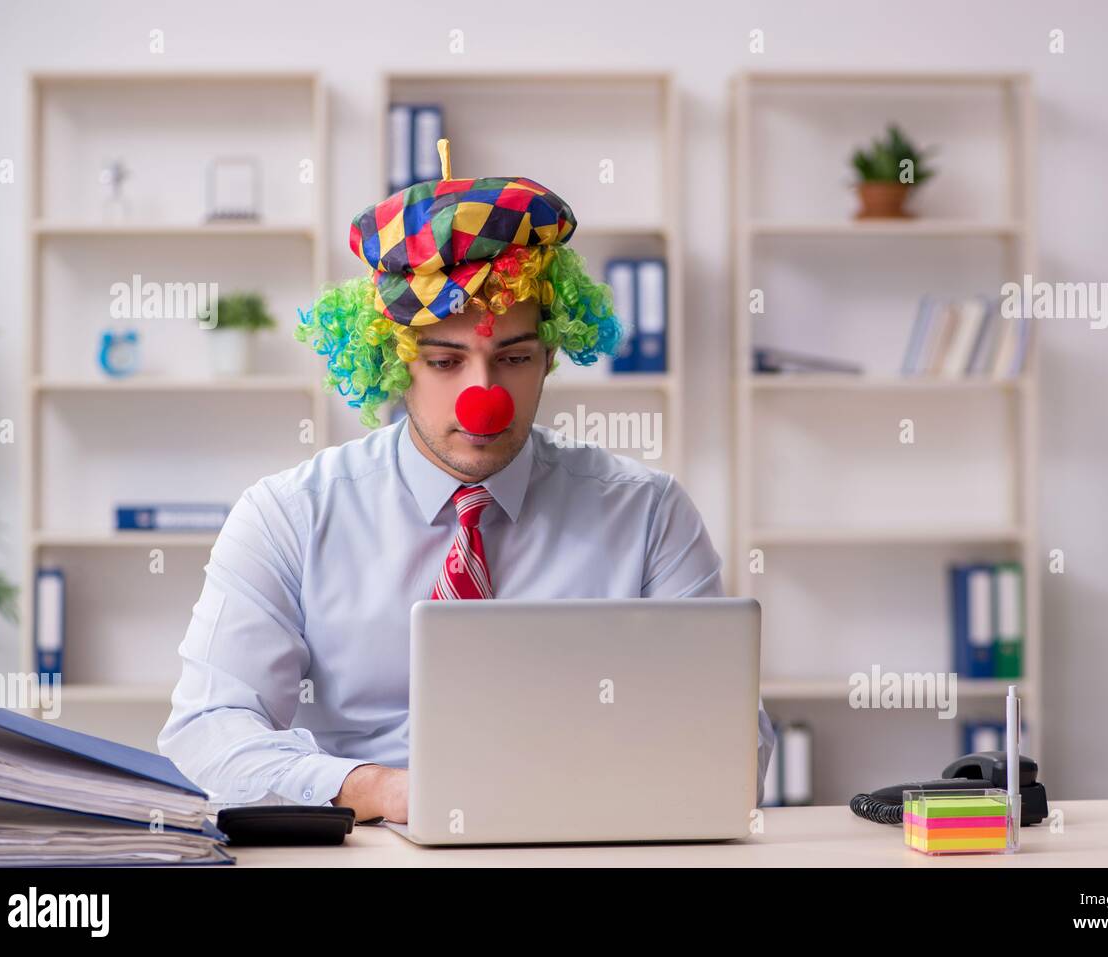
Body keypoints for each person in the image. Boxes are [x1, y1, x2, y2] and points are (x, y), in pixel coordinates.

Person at [157, 140, 775, 824]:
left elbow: (736, 746)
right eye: (446, 360)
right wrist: (383, 789)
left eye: (514, 356)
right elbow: (204, 741)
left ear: (551, 356)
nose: (484, 395)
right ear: (393, 363)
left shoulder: (648, 513)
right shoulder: (288, 514)